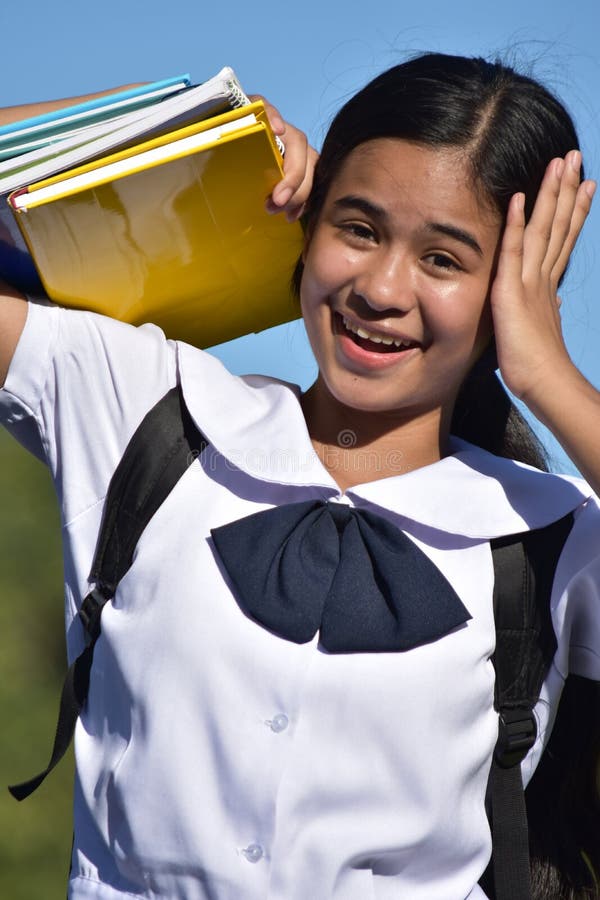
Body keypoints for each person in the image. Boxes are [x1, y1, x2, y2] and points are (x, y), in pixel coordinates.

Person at [0, 51, 598, 900]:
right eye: (357, 227)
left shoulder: (556, 533)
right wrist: (193, 132)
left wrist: (546, 372)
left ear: (514, 287)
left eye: (444, 259)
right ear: (307, 225)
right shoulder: (146, 405)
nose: (381, 287)